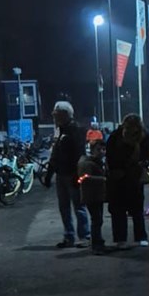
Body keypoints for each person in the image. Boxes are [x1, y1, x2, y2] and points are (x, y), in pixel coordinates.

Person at [44, 101, 90, 248]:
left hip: (71, 174)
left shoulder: (75, 130)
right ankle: (69, 236)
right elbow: (55, 155)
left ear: (65, 115)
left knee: (78, 206)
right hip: (62, 175)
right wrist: (50, 173)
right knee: (64, 207)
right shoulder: (61, 131)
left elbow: (79, 154)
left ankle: (84, 236)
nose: (54, 118)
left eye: (57, 115)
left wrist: (78, 175)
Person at [106, 113, 149, 247]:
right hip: (118, 177)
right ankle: (121, 238)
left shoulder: (143, 138)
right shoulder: (116, 137)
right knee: (119, 209)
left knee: (136, 207)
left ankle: (140, 236)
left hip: (134, 176)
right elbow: (110, 156)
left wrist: (140, 164)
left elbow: (147, 155)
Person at [77, 137, 107, 254]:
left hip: (97, 194)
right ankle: (96, 245)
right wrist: (103, 179)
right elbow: (84, 178)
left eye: (104, 149)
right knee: (96, 219)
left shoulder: (98, 162)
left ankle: (98, 242)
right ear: (93, 150)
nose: (102, 152)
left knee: (98, 219)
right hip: (91, 195)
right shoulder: (87, 163)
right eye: (99, 149)